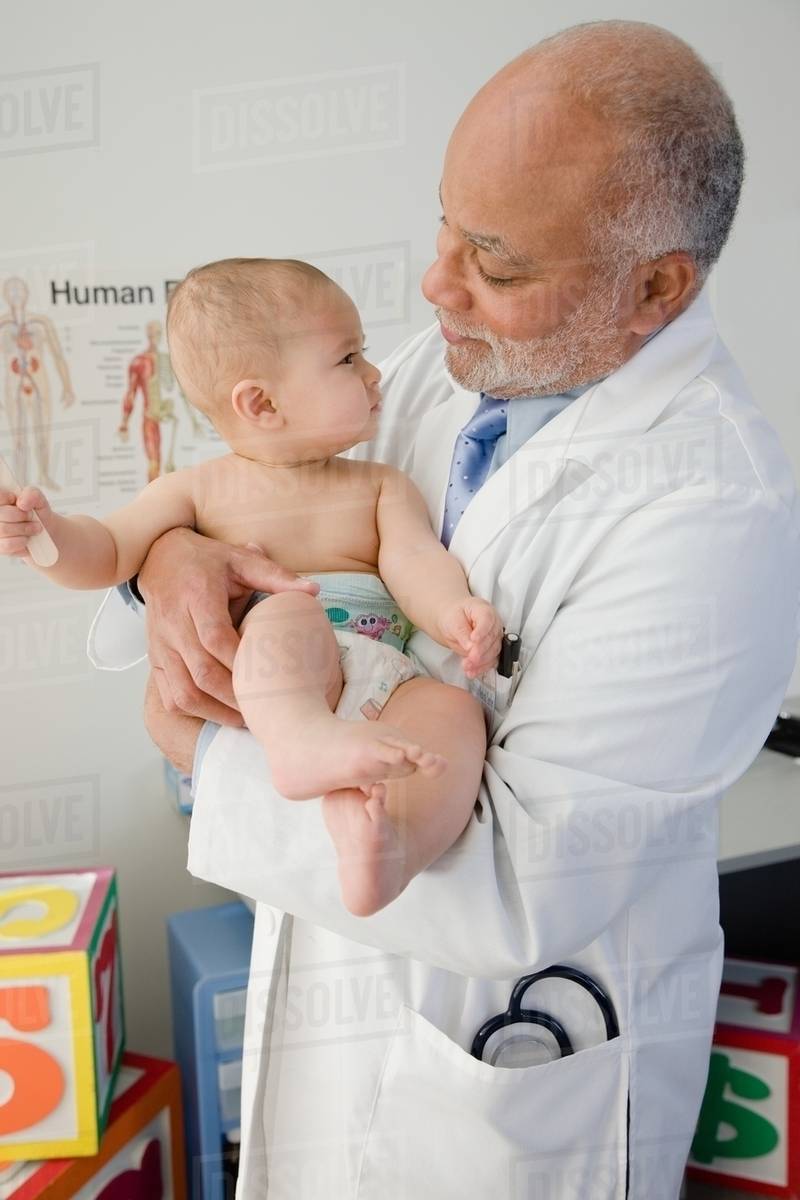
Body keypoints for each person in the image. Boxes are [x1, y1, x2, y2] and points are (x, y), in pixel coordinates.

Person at [87, 20, 799, 1200]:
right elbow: (267, 488)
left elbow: (520, 885)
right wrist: (169, 557)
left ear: (654, 288)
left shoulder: (712, 508)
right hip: (330, 1001)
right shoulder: (444, 361)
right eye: (444, 227)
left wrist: (204, 756)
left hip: (509, 1066)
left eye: (495, 264)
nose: (435, 285)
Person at [0, 257, 505, 918]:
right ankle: (303, 746)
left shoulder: (380, 484)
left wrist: (453, 611)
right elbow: (109, 551)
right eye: (348, 358)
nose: (374, 373)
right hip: (283, 677)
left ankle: (391, 847)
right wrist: (47, 536)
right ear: (261, 403)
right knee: (286, 617)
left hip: (387, 674)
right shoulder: (197, 489)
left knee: (454, 716)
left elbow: (415, 561)